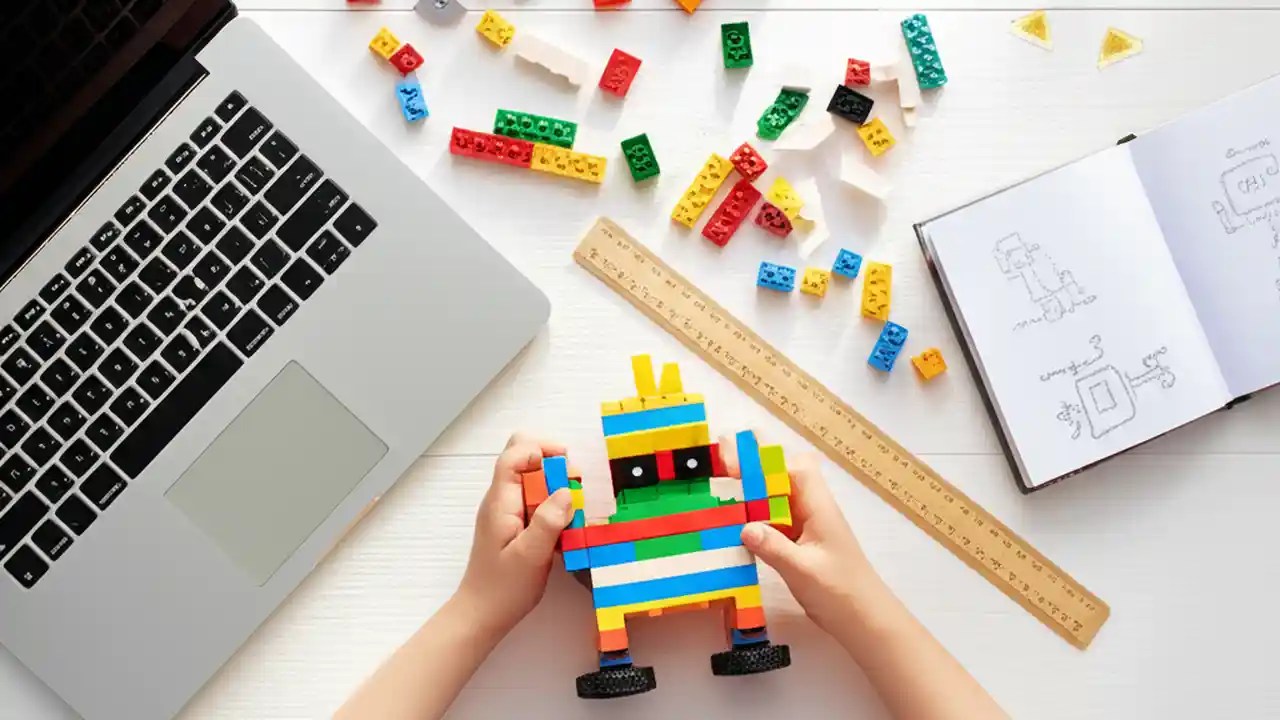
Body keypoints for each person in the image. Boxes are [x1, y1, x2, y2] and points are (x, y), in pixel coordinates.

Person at [335, 434, 1007, 720]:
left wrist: (478, 608)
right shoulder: (679, 520)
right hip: (640, 580)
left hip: (704, 571)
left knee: (738, 615)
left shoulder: (724, 516)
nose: (659, 476)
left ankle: (741, 642)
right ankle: (635, 654)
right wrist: (863, 607)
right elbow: (584, 544)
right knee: (620, 630)